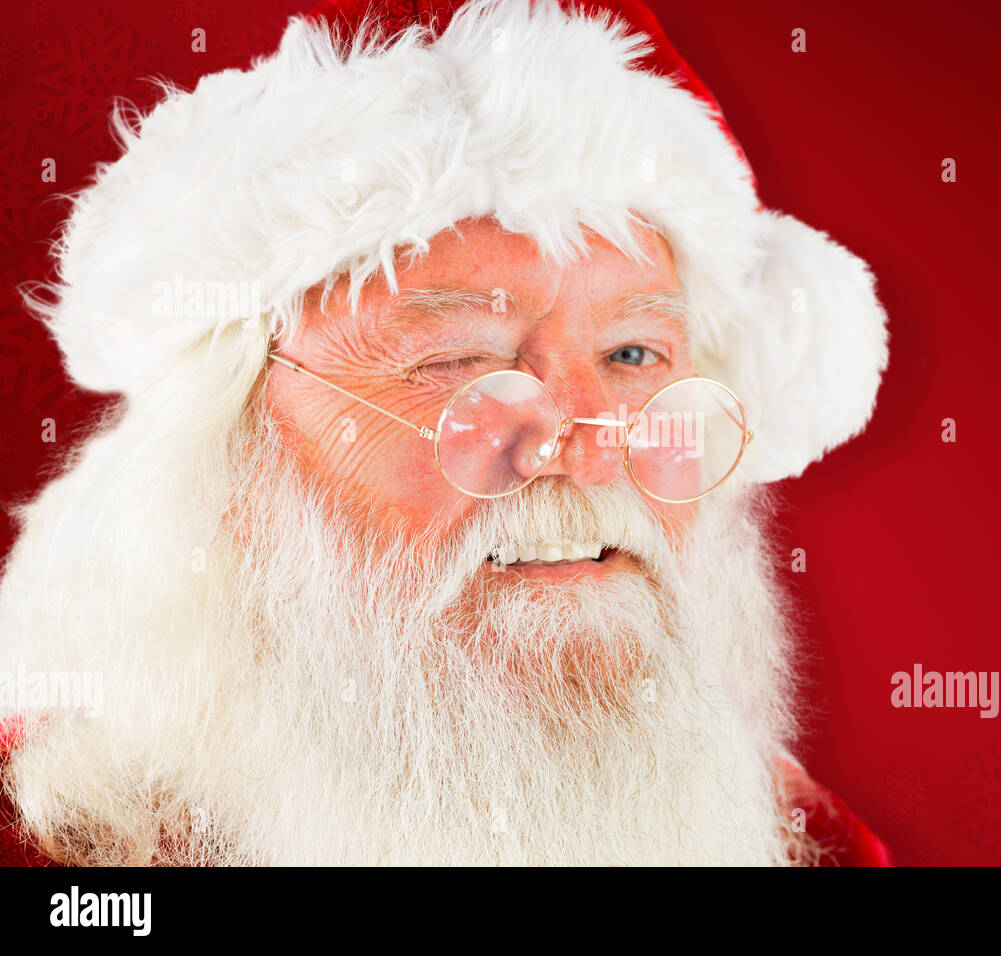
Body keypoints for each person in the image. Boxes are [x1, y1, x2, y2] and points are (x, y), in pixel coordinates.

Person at [0, 0, 889, 866]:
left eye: (631, 353)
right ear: (229, 452)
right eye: (462, 362)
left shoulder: (809, 846)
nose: (589, 448)